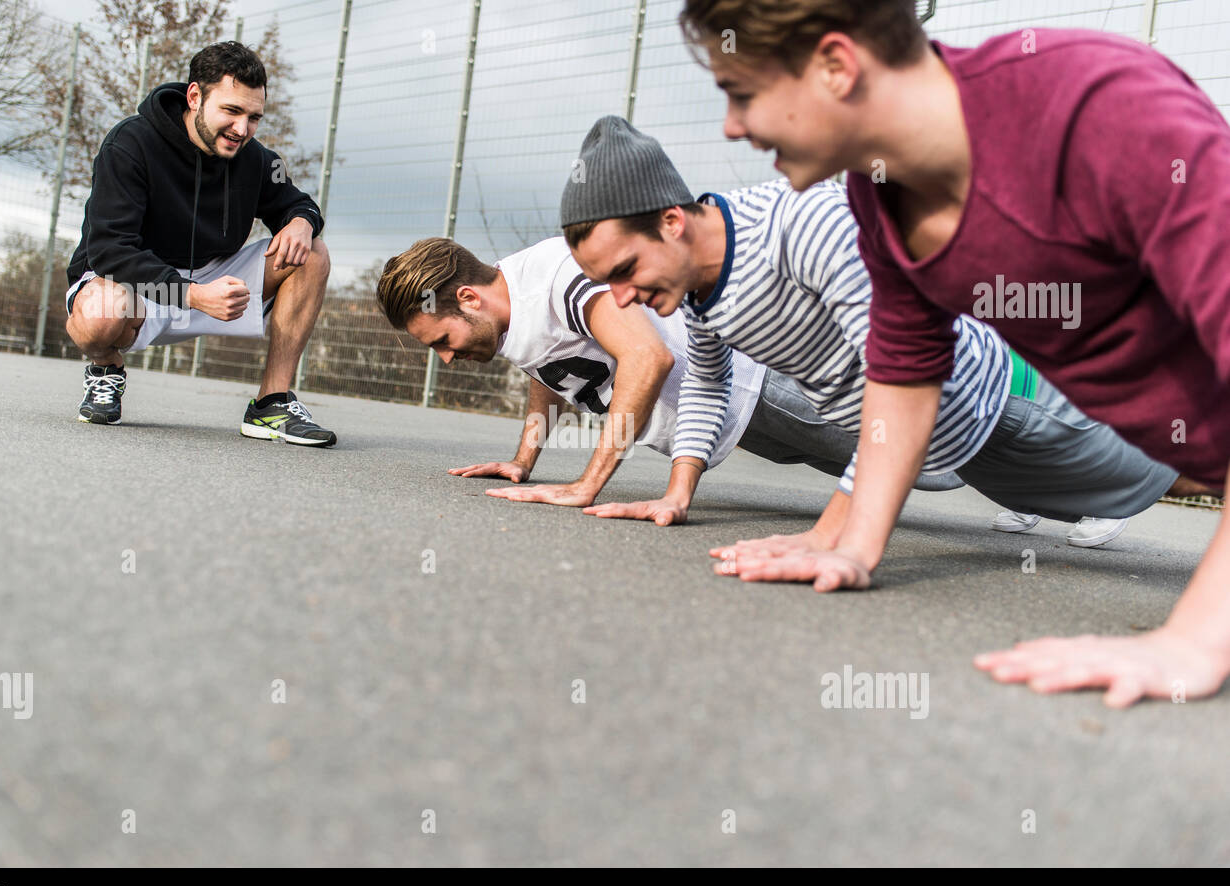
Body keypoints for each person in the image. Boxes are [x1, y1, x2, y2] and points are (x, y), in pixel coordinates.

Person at [679, 0, 1227, 704]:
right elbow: (905, 368)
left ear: (837, 67)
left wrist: (1196, 638)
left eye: (742, 94)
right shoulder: (877, 195)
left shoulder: (1096, 106)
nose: (732, 126)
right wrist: (853, 544)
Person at [559, 117, 1184, 556]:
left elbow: (904, 366)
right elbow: (707, 379)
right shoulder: (696, 292)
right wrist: (677, 494)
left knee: (1183, 466)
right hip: (960, 445)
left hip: (1007, 406)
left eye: (624, 272)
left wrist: (834, 529)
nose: (621, 299)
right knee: (1118, 497)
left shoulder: (797, 223)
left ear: (672, 222)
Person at [376, 235, 925, 505]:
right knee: (884, 470)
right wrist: (525, 460)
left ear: (469, 299)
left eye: (442, 342)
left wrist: (586, 484)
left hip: (760, 393)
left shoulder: (557, 280)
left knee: (931, 455)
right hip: (728, 424)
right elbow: (541, 366)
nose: (447, 359)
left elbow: (647, 356)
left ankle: (1004, 455)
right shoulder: (510, 307)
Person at [63, 41, 336, 446]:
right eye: (231, 111)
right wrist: (191, 294)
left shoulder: (259, 159)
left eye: (254, 117)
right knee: (102, 313)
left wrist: (302, 220)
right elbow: (110, 251)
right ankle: (105, 369)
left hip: (214, 276)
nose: (242, 129)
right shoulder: (129, 144)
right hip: (138, 283)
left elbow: (295, 200)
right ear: (195, 96)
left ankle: (271, 404)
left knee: (312, 253)